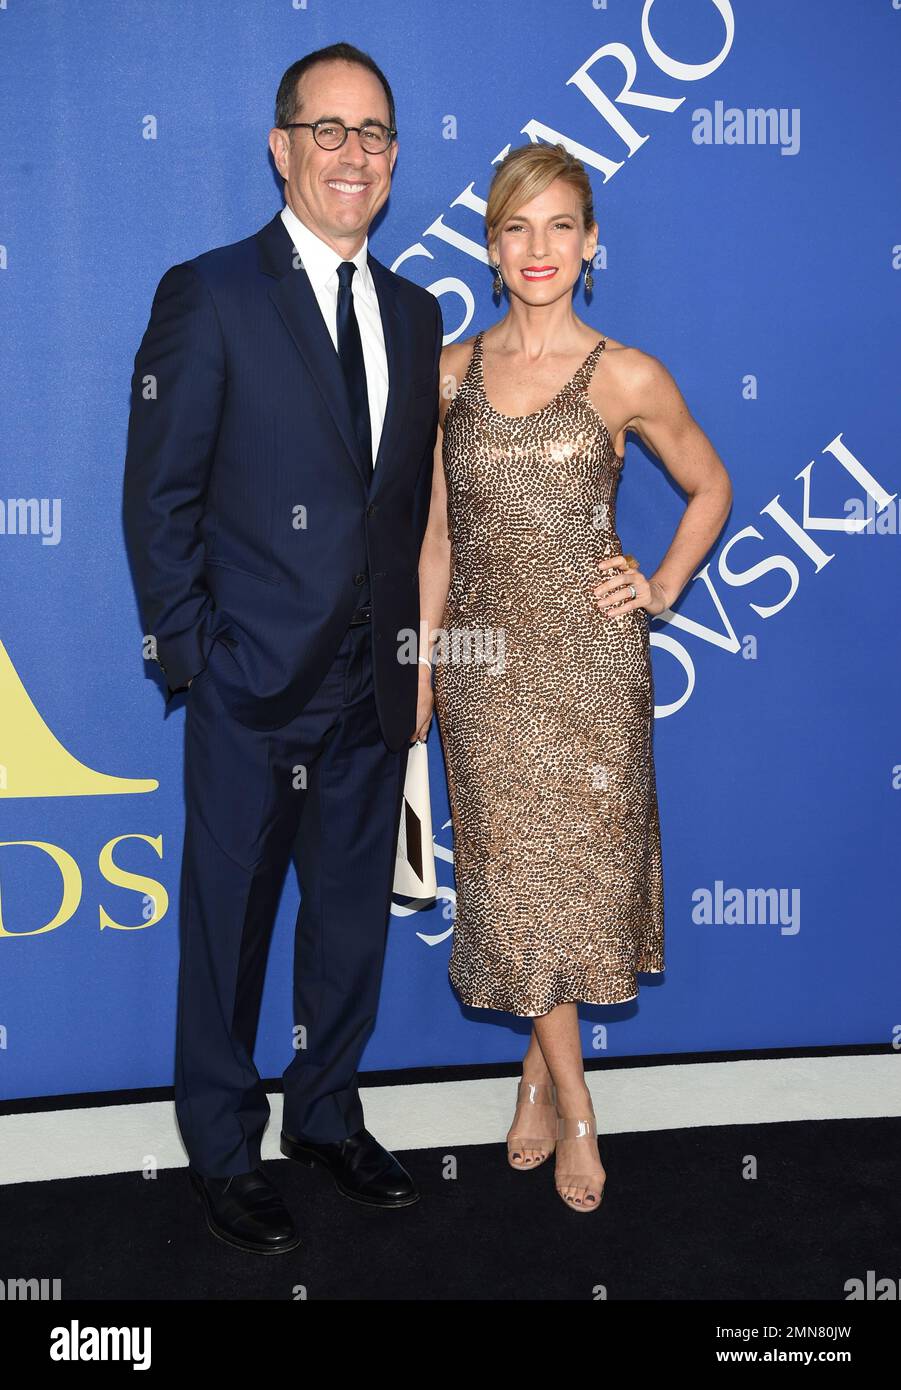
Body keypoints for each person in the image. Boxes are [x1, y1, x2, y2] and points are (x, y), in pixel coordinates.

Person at [123, 43, 442, 1254]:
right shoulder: (209, 294)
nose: (351, 153)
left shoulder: (414, 313)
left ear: (394, 158)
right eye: (329, 130)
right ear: (282, 145)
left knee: (349, 929)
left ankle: (325, 1113)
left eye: (372, 134)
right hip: (251, 689)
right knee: (229, 929)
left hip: (373, 691)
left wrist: (413, 668)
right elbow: (157, 498)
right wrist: (194, 656)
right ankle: (220, 1143)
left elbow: (403, 512)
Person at [416, 142, 732, 1213]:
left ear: (591, 243)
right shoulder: (449, 373)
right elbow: (434, 544)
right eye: (517, 226)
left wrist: (662, 586)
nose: (538, 247)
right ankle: (576, 1099)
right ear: (492, 245)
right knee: (515, 889)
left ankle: (548, 1089)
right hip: (481, 672)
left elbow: (708, 483)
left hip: (593, 674)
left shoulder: (626, 372)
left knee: (572, 892)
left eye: (560, 226)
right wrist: (422, 667)